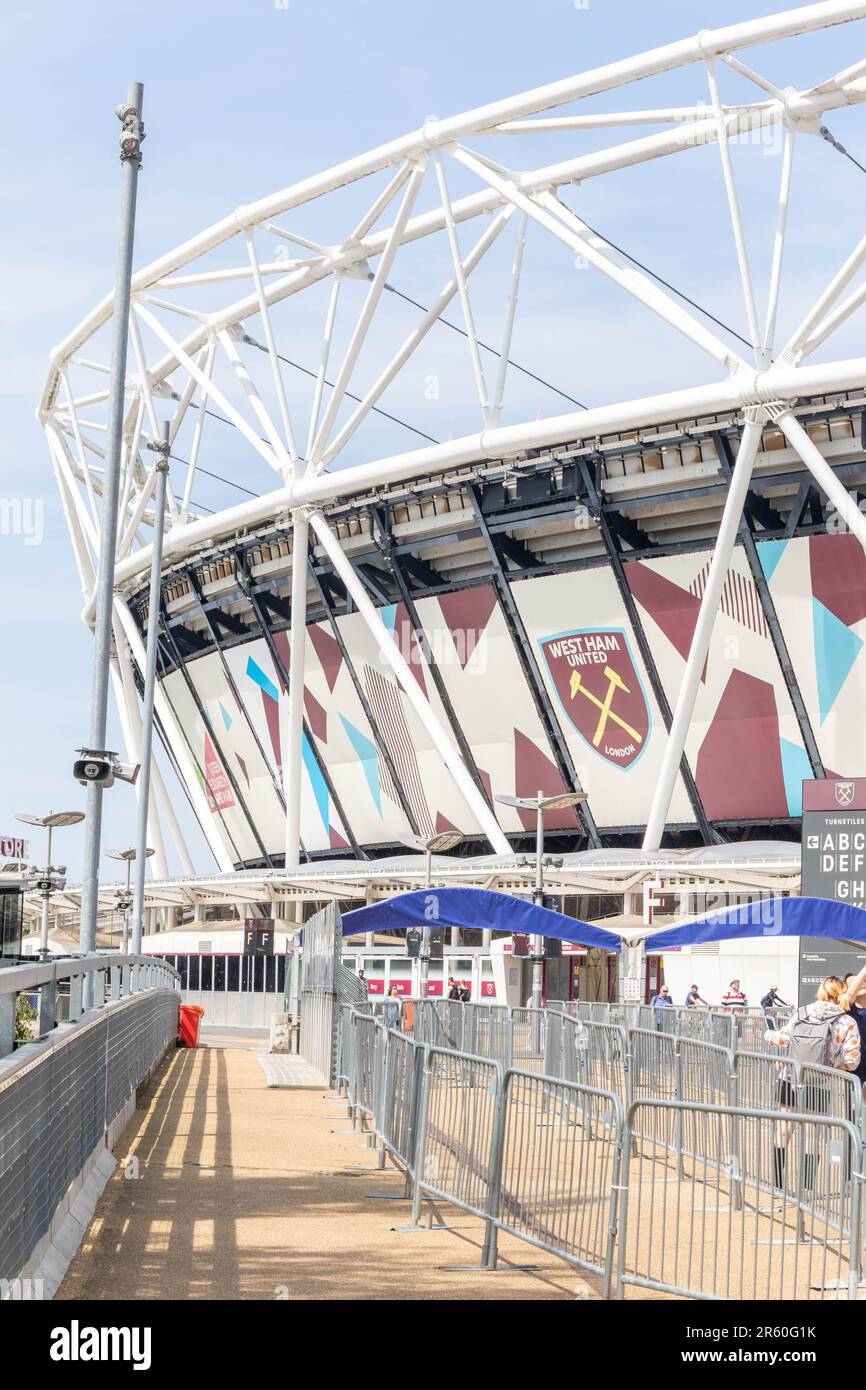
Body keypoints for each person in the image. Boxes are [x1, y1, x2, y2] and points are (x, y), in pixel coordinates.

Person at [767, 975, 860, 1192]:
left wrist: (769, 1035)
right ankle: (807, 1188)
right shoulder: (846, 1021)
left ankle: (778, 1185)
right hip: (820, 1082)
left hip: (791, 1077)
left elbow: (783, 1038)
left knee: (783, 1130)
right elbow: (852, 1060)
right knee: (812, 1135)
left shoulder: (802, 1013)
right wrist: (833, 1067)